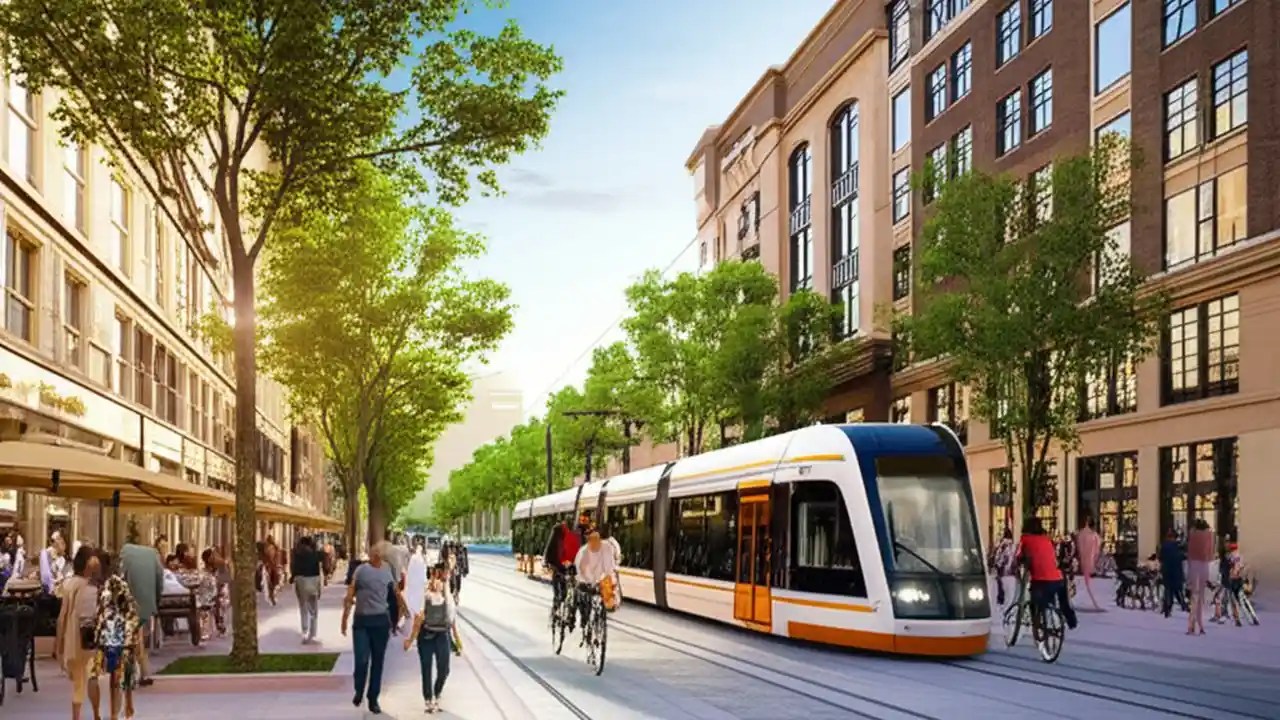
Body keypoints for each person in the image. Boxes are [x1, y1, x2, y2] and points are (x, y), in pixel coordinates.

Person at [342, 541, 407, 715]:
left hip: (380, 622)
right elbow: (351, 590)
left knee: (378, 662)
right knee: (362, 660)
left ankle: (373, 699)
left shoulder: (387, 570)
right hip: (362, 622)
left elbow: (396, 592)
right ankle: (359, 689)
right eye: (375, 553)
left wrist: (404, 609)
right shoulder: (361, 570)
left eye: (380, 554)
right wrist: (345, 616)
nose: (377, 556)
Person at [405, 562, 458, 713]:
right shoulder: (425, 593)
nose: (440, 578)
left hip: (442, 634)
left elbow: (452, 616)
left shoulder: (448, 593)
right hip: (426, 635)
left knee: (444, 669)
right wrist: (410, 639)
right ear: (433, 575)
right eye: (438, 574)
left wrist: (456, 638)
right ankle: (428, 699)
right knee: (426, 668)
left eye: (444, 575)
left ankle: (437, 691)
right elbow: (419, 617)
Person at [57, 546, 102, 720]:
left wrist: (59, 644)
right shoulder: (94, 586)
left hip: (73, 639)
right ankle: (96, 713)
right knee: (92, 677)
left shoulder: (69, 584)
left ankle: (77, 717)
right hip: (90, 638)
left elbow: (62, 617)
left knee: (79, 681)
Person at [94, 556, 142, 720]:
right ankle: (126, 707)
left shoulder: (110, 586)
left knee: (116, 674)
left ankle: (117, 711)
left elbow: (102, 611)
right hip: (121, 634)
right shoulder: (116, 585)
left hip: (115, 634)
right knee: (121, 672)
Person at [117, 531, 164, 687]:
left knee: (132, 639)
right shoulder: (152, 555)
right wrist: (155, 600)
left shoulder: (125, 556)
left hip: (129, 605)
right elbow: (159, 579)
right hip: (146, 603)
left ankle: (135, 673)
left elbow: (120, 578)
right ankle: (142, 671)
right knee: (138, 637)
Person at [1017, 518, 1078, 634]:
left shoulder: (1025, 539)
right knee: (1062, 601)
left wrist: (1021, 563)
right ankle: (1071, 621)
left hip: (1040, 580)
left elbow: (1018, 556)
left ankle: (1038, 624)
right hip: (1058, 578)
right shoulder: (1047, 540)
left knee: (1035, 602)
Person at [573, 531, 619, 626]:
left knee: (603, 594)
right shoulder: (583, 551)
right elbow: (580, 569)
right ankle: (585, 619)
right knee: (584, 598)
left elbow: (610, 568)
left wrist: (609, 580)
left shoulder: (606, 548)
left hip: (599, 580)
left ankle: (598, 616)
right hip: (586, 581)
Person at [543, 519, 582, 629]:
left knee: (574, 593)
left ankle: (571, 617)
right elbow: (550, 549)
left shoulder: (578, 533)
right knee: (559, 594)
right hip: (558, 566)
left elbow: (581, 551)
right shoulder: (558, 531)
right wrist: (549, 563)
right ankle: (555, 611)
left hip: (572, 567)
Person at [291, 536, 324, 644]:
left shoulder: (297, 554)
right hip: (314, 580)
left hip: (301, 581)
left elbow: (294, 568)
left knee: (303, 607)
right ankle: (313, 633)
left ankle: (304, 632)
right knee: (314, 610)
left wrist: (292, 578)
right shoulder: (315, 554)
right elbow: (324, 558)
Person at [1185, 518, 1214, 635]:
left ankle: (1191, 624)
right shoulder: (1209, 535)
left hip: (1193, 566)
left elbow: (1188, 553)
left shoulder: (1192, 535)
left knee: (1194, 597)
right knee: (1200, 598)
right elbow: (1211, 554)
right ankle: (1200, 624)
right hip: (1203, 566)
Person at [1075, 517, 1103, 611]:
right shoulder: (1094, 535)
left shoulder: (1081, 534)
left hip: (1084, 561)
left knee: (1086, 582)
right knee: (1090, 583)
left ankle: (1093, 602)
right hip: (1091, 561)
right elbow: (1097, 549)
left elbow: (1079, 548)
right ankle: (1095, 603)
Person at [1158, 529, 1188, 617]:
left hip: (1167, 572)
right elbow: (1183, 557)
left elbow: (1161, 558)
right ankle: (1183, 605)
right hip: (1176, 572)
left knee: (1168, 591)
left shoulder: (1164, 546)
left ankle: (1167, 608)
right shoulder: (1178, 547)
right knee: (1178, 590)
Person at [990, 528, 1016, 606]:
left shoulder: (1002, 545)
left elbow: (998, 558)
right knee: (1010, 598)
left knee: (1003, 595)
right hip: (1011, 573)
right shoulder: (1013, 545)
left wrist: (997, 565)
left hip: (1002, 573)